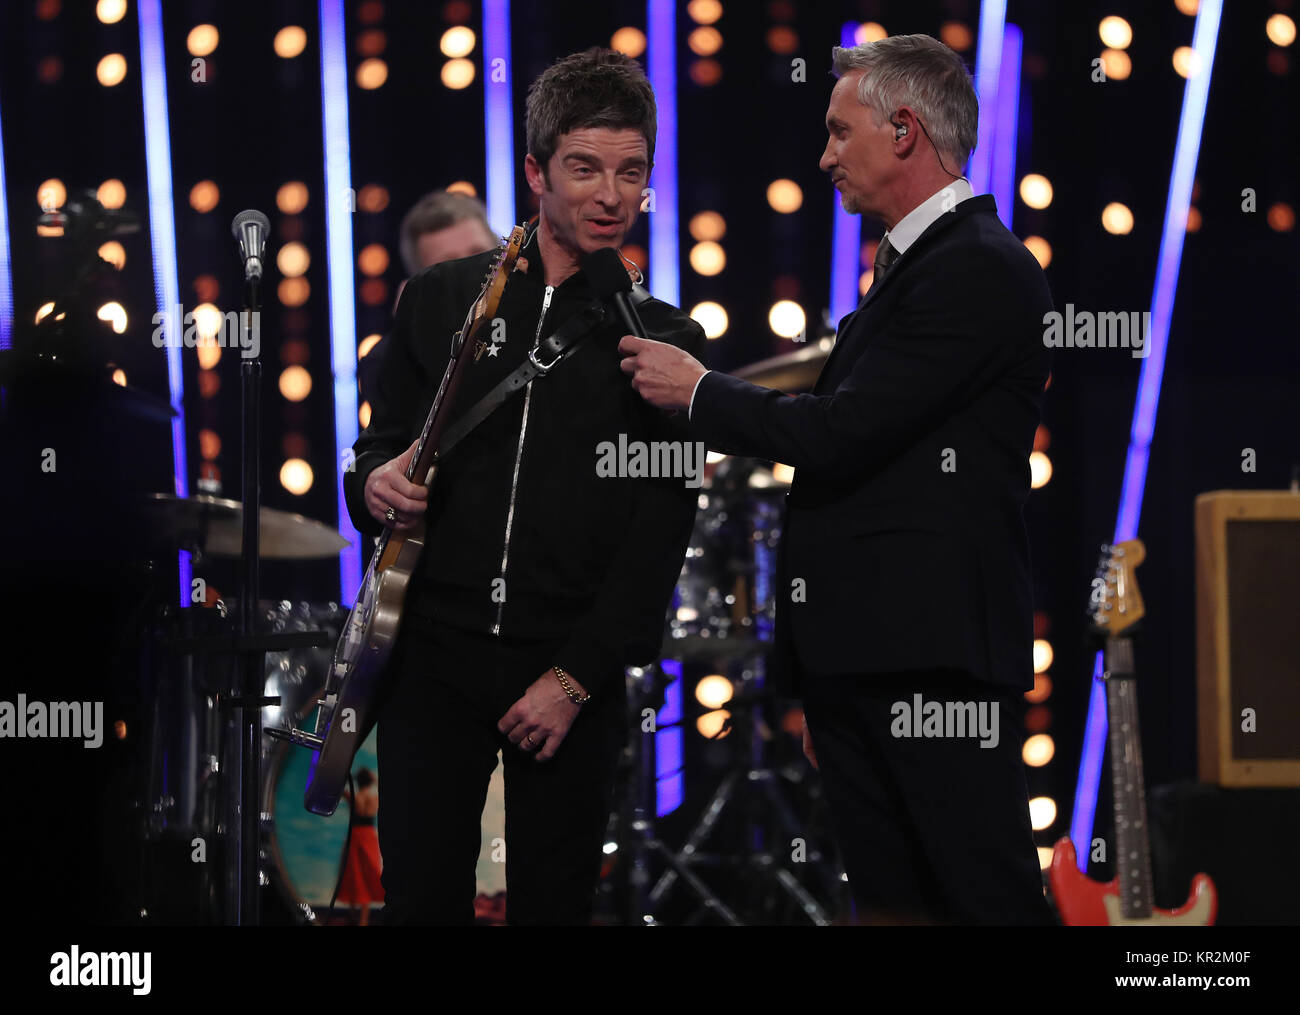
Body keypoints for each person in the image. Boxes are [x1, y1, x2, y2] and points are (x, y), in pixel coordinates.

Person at [619, 34, 1055, 925]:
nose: (823, 158)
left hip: (934, 668)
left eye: (837, 132)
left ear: (903, 130)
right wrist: (822, 679)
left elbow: (843, 434)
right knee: (896, 907)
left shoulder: (978, 268)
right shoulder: (918, 270)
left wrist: (699, 392)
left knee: (983, 898)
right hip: (868, 664)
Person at [343, 47, 706, 925]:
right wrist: (373, 486)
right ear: (537, 171)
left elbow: (661, 535)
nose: (611, 195)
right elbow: (374, 454)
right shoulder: (438, 299)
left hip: (566, 673)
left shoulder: (662, 337)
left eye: (631, 172)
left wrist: (575, 679)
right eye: (585, 168)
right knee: (420, 902)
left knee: (556, 906)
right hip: (431, 659)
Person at [358, 190, 499, 408]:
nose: (473, 270)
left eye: (480, 253)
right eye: (452, 266)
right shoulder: (384, 362)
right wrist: (409, 333)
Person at [337, 768, 383, 925]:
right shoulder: (374, 798)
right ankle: (362, 920)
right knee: (368, 875)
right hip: (369, 836)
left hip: (356, 836)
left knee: (354, 875)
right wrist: (374, 780)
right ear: (369, 781)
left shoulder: (354, 797)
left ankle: (354, 916)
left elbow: (338, 788)